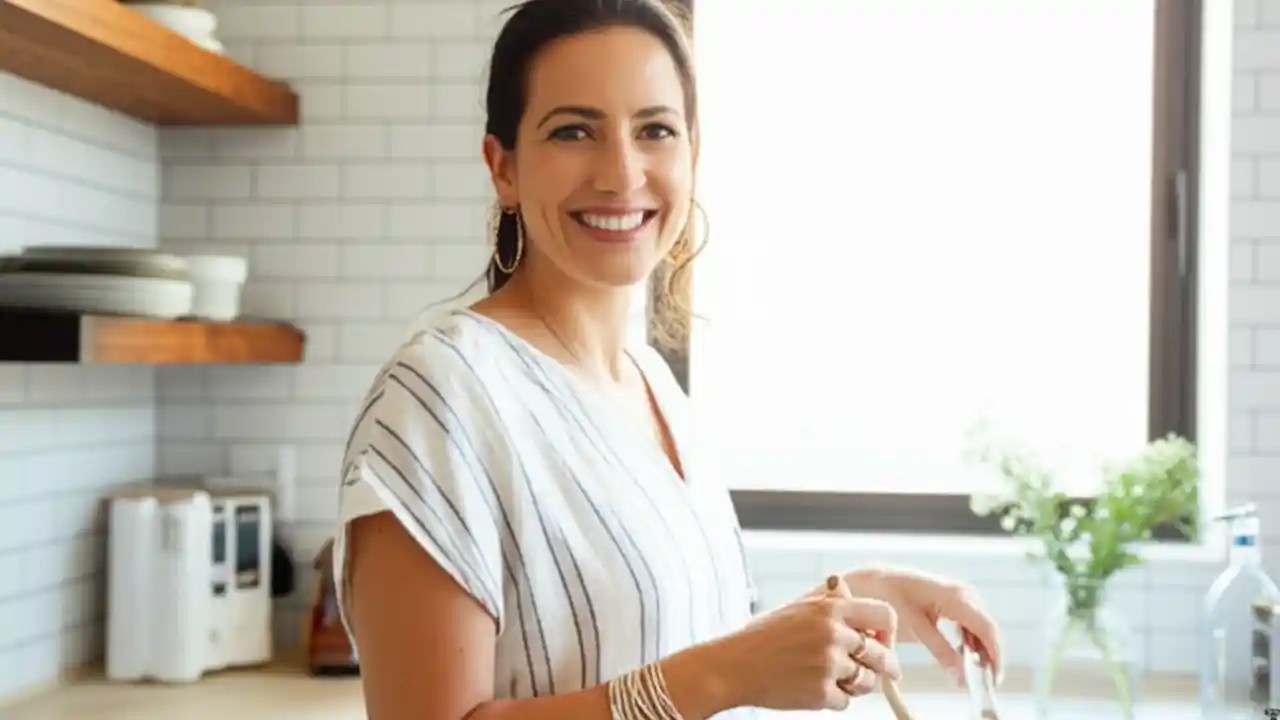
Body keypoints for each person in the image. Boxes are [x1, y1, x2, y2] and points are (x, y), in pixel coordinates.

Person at [332, 1, 1004, 718]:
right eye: (573, 131)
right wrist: (729, 673)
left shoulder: (648, 380)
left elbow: (666, 650)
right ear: (503, 168)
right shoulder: (441, 393)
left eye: (655, 129)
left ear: (692, 156)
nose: (622, 174)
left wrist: (842, 602)